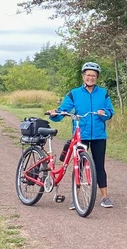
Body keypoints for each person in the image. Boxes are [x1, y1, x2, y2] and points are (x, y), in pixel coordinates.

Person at [47, 62, 115, 208]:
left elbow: (110, 112)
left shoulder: (103, 93)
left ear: (97, 77)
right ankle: (75, 198)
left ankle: (105, 197)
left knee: (99, 166)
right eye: (88, 75)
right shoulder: (74, 93)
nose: (91, 78)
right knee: (79, 166)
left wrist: (104, 113)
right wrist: (55, 114)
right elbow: (63, 110)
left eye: (94, 75)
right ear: (83, 76)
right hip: (81, 135)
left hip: (99, 135)